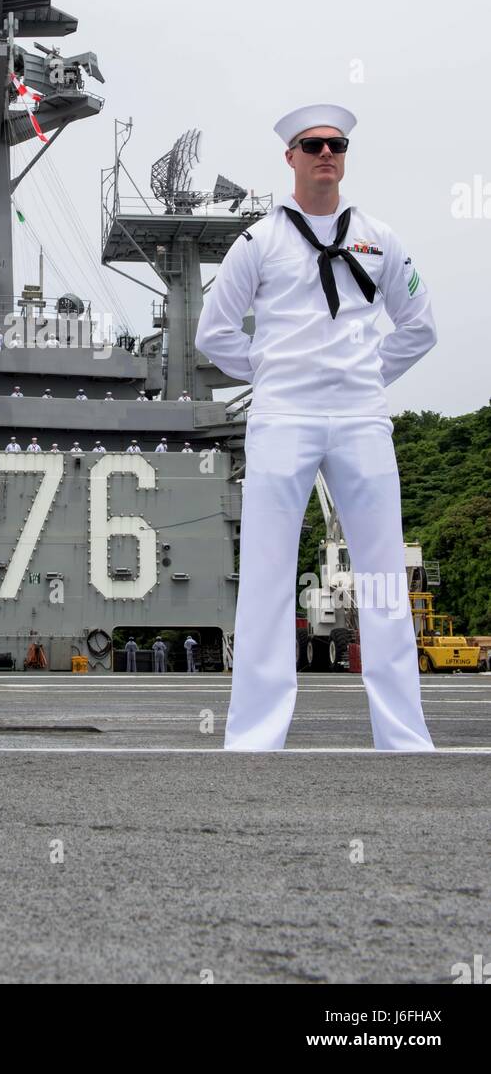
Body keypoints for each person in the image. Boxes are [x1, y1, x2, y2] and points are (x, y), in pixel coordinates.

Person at [195, 102, 437, 752]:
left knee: (385, 582)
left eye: (334, 144)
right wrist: (277, 373)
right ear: (290, 157)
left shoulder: (381, 238)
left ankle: (403, 739)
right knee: (268, 578)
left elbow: (420, 327)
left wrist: (361, 374)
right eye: (311, 145)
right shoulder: (257, 242)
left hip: (361, 418)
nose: (324, 154)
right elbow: (212, 333)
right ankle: (253, 738)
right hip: (283, 418)